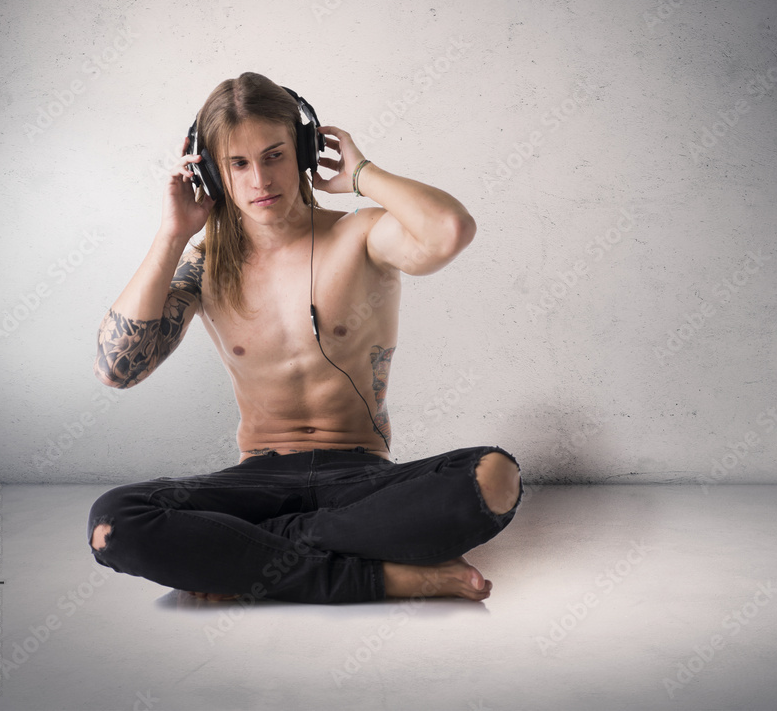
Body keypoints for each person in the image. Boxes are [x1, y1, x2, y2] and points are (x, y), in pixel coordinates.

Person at [86, 72, 522, 604]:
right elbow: (116, 370)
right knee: (115, 524)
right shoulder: (203, 265)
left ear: (305, 152)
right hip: (259, 481)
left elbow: (450, 230)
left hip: (361, 476)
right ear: (214, 175)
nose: (259, 181)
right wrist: (172, 235)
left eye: (274, 156)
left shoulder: (358, 235)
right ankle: (385, 576)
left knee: (493, 477)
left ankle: (247, 560)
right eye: (238, 164)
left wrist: (363, 174)